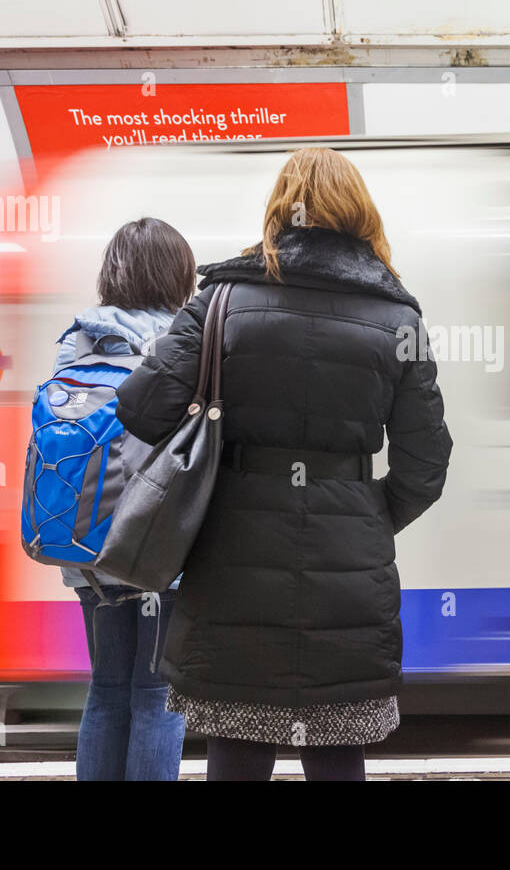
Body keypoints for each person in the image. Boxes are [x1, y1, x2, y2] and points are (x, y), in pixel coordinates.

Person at [115, 148, 452, 781]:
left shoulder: (221, 301)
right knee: (337, 749)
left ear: (281, 209)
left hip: (233, 557)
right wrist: (366, 516)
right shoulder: (398, 316)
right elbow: (427, 462)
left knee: (238, 746)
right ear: (360, 214)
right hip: (350, 565)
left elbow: (139, 408)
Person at [51, 217, 195, 781]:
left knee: (107, 689)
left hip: (86, 541)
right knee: (156, 694)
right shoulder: (184, 340)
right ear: (176, 274)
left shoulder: (75, 340)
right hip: (158, 545)